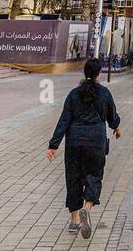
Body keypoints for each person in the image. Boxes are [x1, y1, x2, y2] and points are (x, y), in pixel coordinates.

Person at [47, 57, 121, 239]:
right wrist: (117, 128)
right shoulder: (104, 93)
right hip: (96, 141)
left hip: (74, 142)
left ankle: (74, 221)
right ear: (98, 74)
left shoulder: (73, 94)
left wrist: (53, 145)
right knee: (94, 176)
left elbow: (64, 120)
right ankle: (87, 208)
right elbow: (112, 116)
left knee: (73, 178)